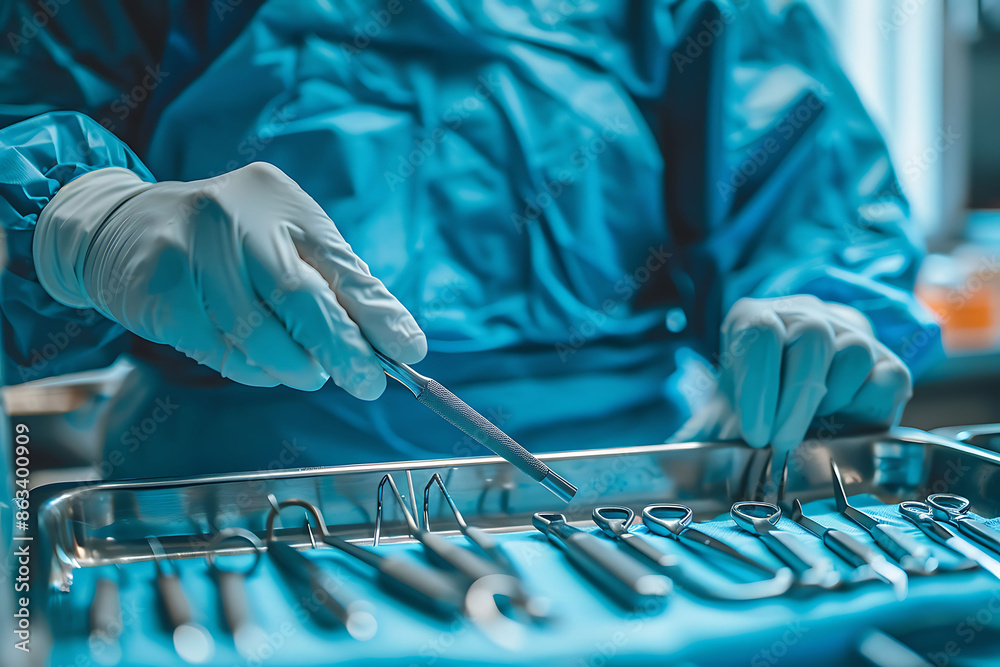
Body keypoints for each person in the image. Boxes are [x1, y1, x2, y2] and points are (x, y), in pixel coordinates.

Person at [0, 0, 941, 479]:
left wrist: (821, 314)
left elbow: (803, 191)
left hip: (628, 499)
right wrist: (81, 216)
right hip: (230, 499)